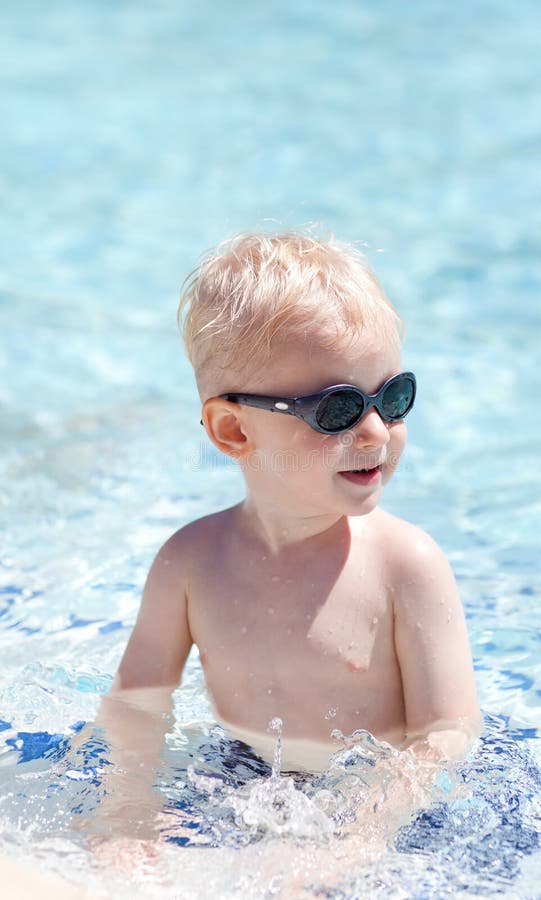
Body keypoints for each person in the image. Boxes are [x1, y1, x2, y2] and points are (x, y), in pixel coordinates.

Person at [101, 231, 480, 780]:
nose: (377, 431)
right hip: (238, 779)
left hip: (377, 796)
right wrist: (132, 803)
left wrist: (366, 822)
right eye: (338, 409)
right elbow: (135, 706)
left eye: (393, 397)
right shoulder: (189, 563)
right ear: (233, 430)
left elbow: (446, 735)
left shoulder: (405, 565)